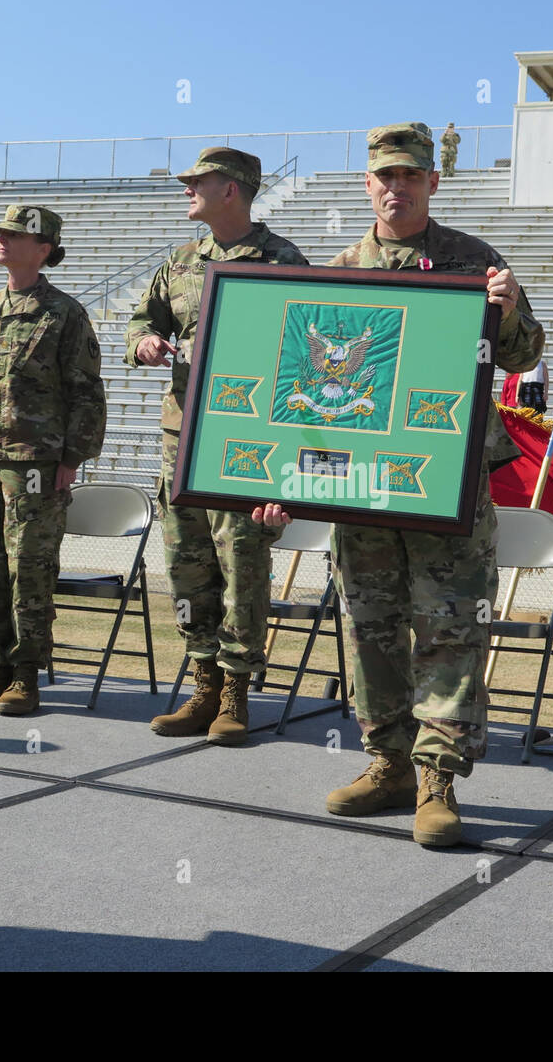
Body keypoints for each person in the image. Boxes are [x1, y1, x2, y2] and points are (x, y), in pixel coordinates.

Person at [255, 122, 545, 846]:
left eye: (411, 175)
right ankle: (386, 763)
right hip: (363, 487)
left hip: (447, 485)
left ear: (432, 183)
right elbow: (302, 395)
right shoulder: (337, 270)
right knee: (371, 626)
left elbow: (525, 354)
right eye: (385, 175)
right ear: (368, 184)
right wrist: (276, 478)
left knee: (449, 626)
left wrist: (508, 308)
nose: (397, 187)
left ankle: (437, 781)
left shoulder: (475, 262)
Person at [126, 148, 308, 745]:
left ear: (231, 190)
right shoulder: (179, 262)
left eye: (197, 182)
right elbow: (138, 322)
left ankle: (236, 693)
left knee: (242, 564)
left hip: (248, 443)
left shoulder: (283, 260)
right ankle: (202, 683)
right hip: (182, 440)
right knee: (187, 565)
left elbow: (309, 355)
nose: (187, 190)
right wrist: (147, 341)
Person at [0, 206, 107, 715]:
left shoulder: (64, 313)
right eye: (1, 234)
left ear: (43, 250)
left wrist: (73, 457)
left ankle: (26, 675)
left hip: (36, 460)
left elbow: (86, 391)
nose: (2, 241)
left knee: (30, 568)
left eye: (14, 235)